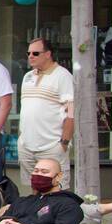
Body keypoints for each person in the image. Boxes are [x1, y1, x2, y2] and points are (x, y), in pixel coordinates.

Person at [18, 36, 74, 190]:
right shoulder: (27, 76)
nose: (30, 56)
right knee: (33, 188)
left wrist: (64, 142)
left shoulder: (63, 76)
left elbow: (72, 113)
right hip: (27, 145)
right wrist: (22, 139)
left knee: (57, 189)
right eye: (28, 53)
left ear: (48, 54)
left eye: (35, 53)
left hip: (51, 146)